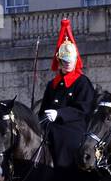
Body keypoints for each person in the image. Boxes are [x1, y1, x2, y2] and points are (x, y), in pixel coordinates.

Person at [38, 18, 97, 171]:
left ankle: (64, 175)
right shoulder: (53, 84)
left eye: (70, 60)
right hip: (50, 125)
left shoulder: (82, 82)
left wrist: (59, 114)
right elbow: (43, 109)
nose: (68, 63)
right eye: (65, 61)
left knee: (65, 139)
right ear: (60, 61)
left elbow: (83, 110)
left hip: (74, 126)